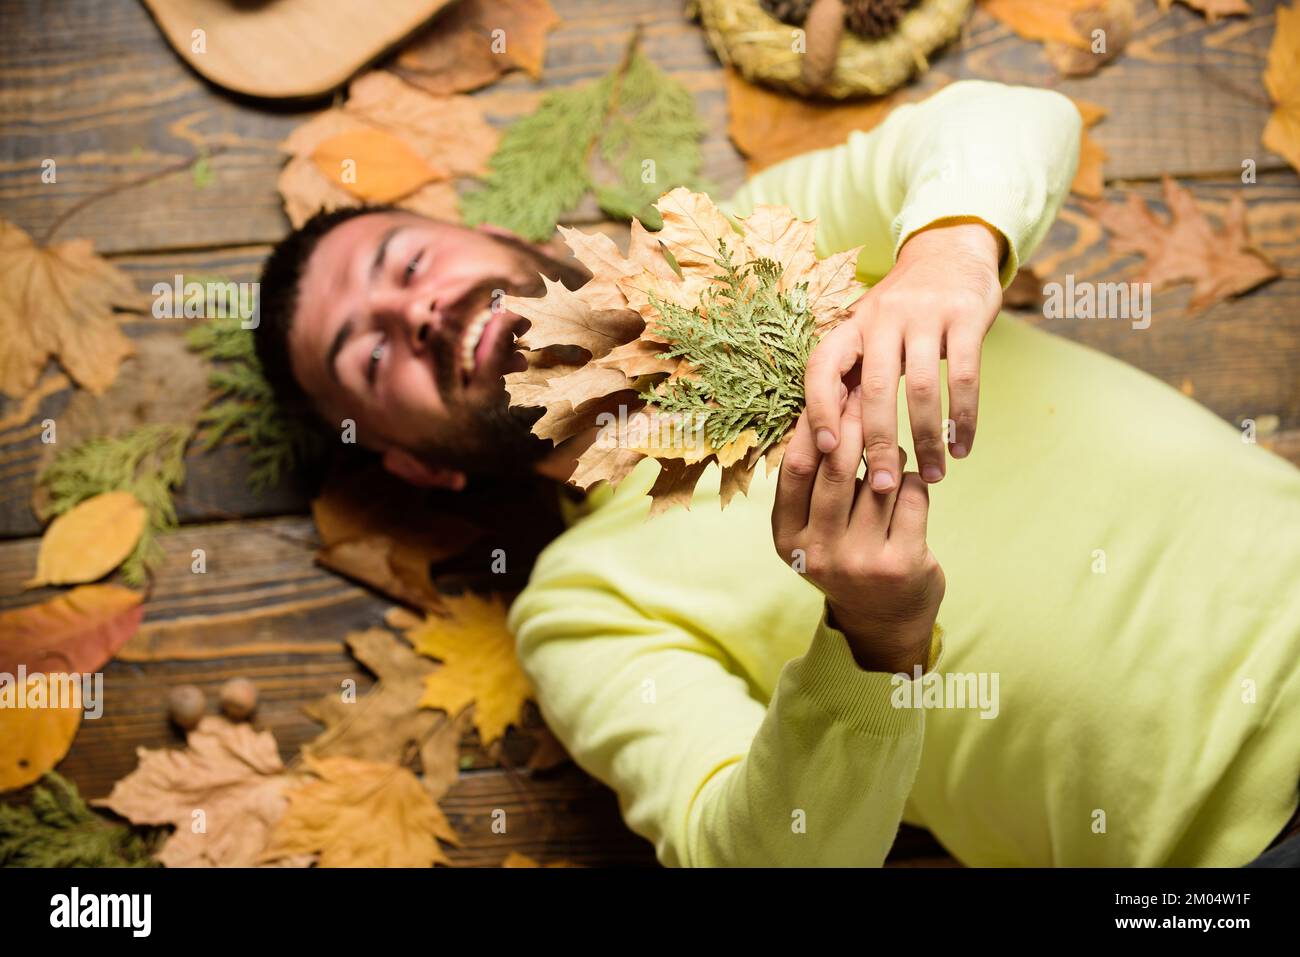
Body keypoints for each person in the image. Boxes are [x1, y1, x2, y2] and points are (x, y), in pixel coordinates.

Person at [253, 79, 1300, 866]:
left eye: (406, 263)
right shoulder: (582, 615)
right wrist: (871, 643)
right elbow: (754, 858)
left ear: (479, 230)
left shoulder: (757, 247)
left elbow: (1016, 117)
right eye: (371, 353)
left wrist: (946, 251)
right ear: (412, 466)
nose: (416, 310)